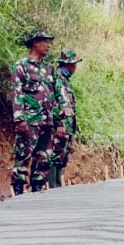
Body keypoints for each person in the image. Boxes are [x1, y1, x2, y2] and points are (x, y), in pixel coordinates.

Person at [11, 28, 65, 195]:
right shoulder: (22, 66)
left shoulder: (50, 69)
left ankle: (37, 190)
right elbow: (17, 92)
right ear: (35, 43)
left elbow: (58, 96)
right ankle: (18, 192)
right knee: (23, 157)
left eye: (49, 42)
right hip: (30, 121)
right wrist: (20, 119)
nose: (48, 45)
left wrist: (60, 121)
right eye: (44, 41)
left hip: (48, 122)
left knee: (44, 158)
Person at [50, 49, 82, 189]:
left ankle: (58, 186)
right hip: (60, 126)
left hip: (67, 127)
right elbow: (55, 103)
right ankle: (52, 187)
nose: (75, 67)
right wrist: (60, 123)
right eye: (73, 64)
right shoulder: (57, 79)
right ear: (67, 65)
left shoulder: (65, 81)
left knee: (62, 157)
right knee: (55, 157)